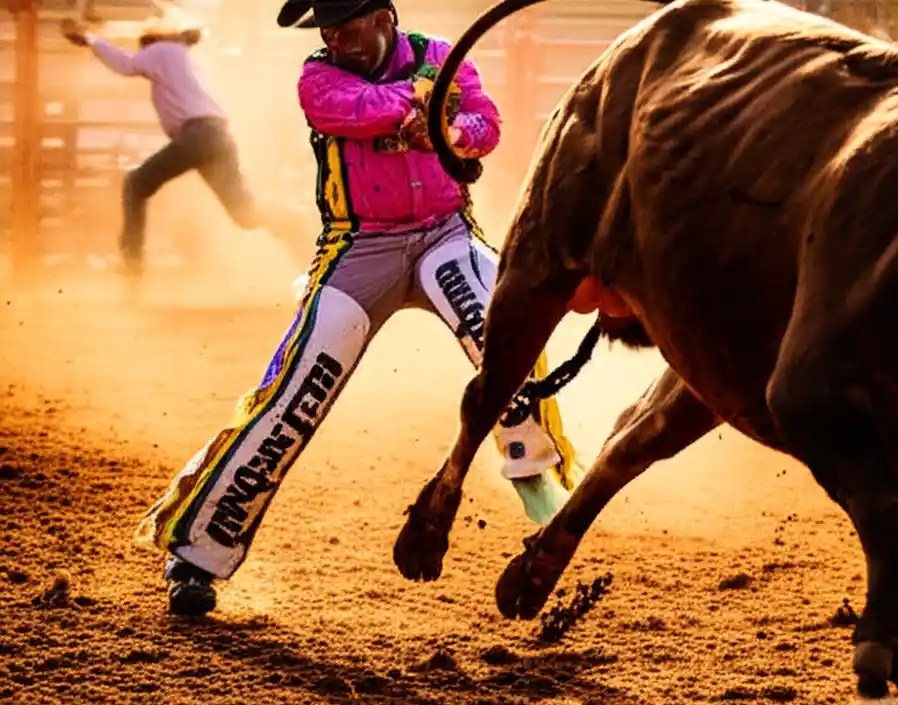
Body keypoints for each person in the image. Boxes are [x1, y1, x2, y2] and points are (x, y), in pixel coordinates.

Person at [135, 0, 581, 616]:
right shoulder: (320, 76)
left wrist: (451, 130)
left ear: (382, 18)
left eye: (345, 24)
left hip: (444, 231)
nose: (335, 38)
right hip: (357, 244)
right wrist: (425, 105)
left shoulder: (439, 57)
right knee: (294, 393)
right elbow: (354, 111)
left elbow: (485, 121)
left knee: (502, 340)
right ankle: (199, 552)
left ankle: (543, 497)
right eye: (328, 28)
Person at [60, 14, 281, 277]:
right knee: (245, 213)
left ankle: (132, 265)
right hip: (218, 135)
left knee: (136, 184)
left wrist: (89, 39)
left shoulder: (162, 51)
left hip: (197, 135)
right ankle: (295, 221)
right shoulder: (186, 57)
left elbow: (125, 64)